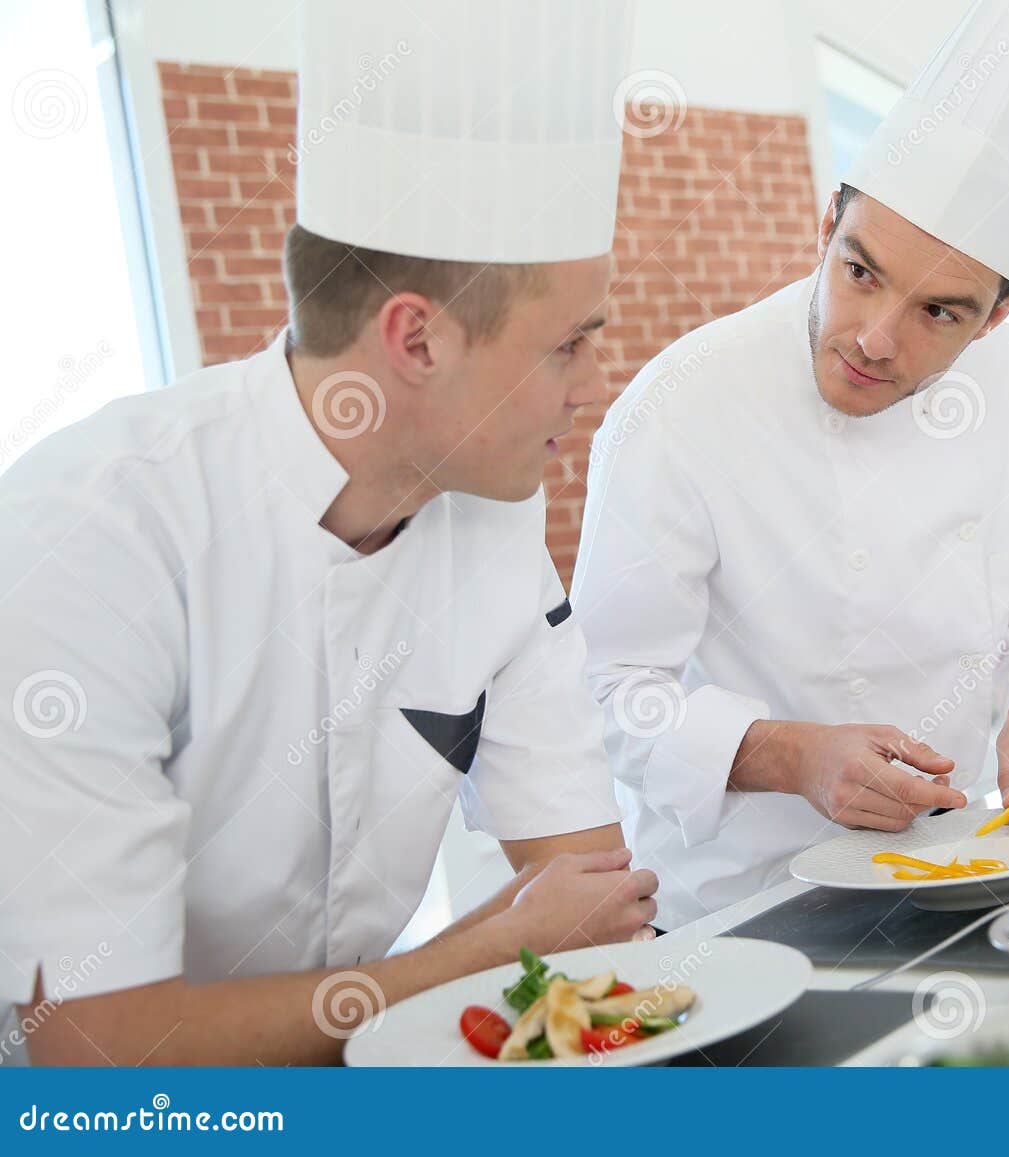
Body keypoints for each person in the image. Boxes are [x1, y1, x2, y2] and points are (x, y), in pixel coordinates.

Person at [0, 0, 657, 1065]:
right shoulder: (92, 535)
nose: (596, 383)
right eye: (570, 345)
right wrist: (465, 957)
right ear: (415, 338)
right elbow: (99, 1047)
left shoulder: (491, 518)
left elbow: (587, 899)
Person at [571, 0, 1009, 929]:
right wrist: (791, 755)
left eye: (940, 314)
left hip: (951, 878)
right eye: (861, 270)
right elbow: (609, 687)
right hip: (738, 916)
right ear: (827, 224)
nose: (874, 340)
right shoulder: (681, 405)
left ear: (998, 315)